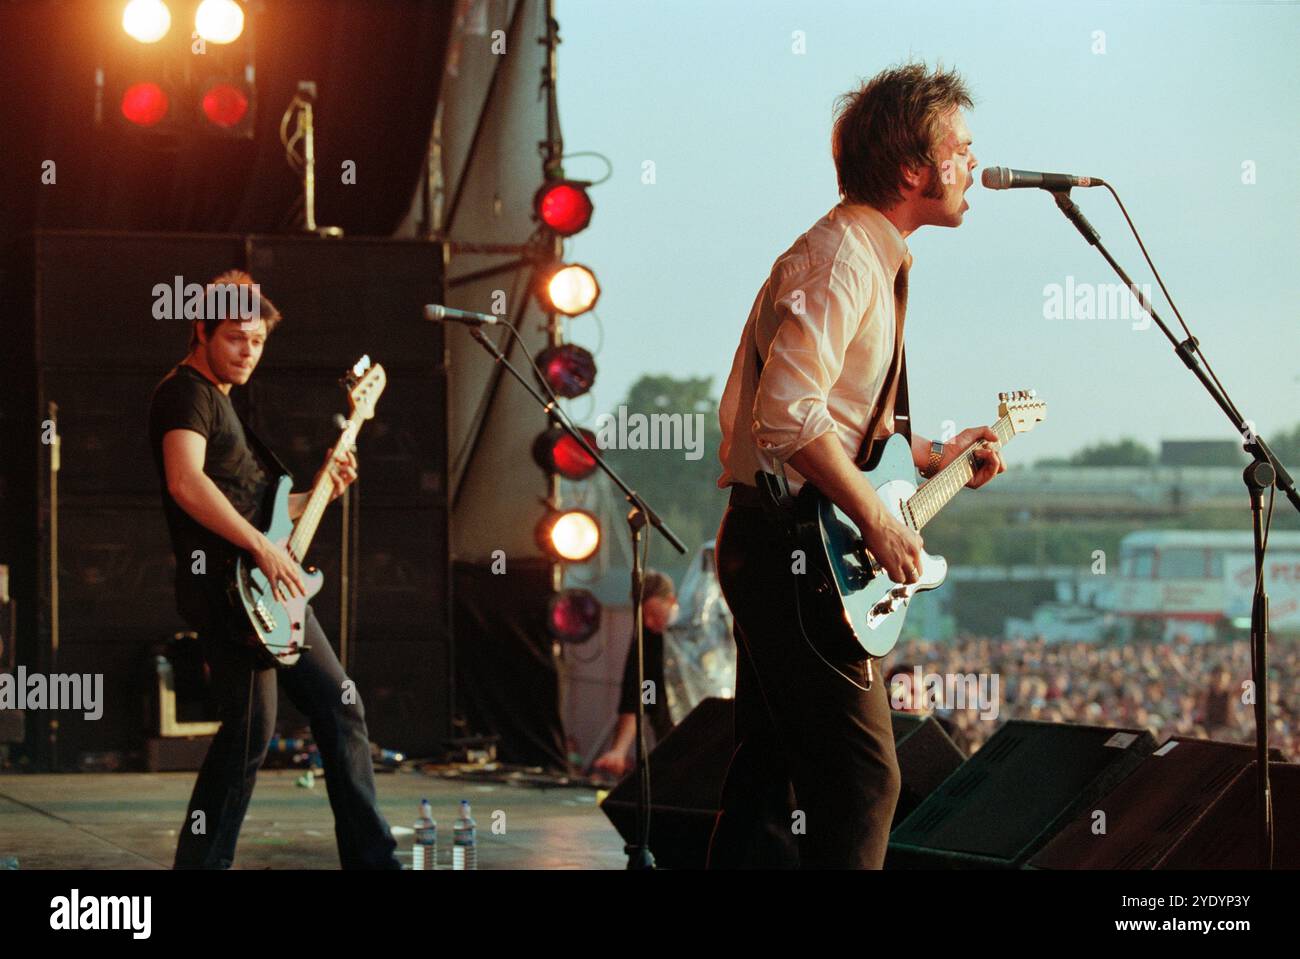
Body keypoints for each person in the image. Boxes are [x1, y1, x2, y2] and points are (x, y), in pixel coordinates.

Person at [707, 63, 1006, 869]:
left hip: (784, 546)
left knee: (765, 787)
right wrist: (875, 517)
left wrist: (936, 459)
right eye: (962, 149)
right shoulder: (843, 259)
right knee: (866, 784)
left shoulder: (872, 257)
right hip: (792, 551)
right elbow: (786, 415)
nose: (975, 164)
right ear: (914, 169)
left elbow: (834, 423)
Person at [148, 269, 401, 869]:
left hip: (267, 591)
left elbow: (261, 511)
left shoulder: (224, 407)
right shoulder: (184, 394)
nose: (249, 352)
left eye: (258, 341)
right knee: (250, 737)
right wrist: (261, 549)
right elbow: (186, 483)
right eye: (236, 338)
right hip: (231, 591)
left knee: (335, 707)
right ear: (202, 330)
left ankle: (374, 862)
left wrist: (320, 491)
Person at [592, 570, 679, 778]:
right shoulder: (646, 641)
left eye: (654, 614)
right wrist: (619, 751)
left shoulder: (696, 632)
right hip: (671, 740)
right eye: (643, 616)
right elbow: (637, 699)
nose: (648, 622)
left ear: (671, 601)